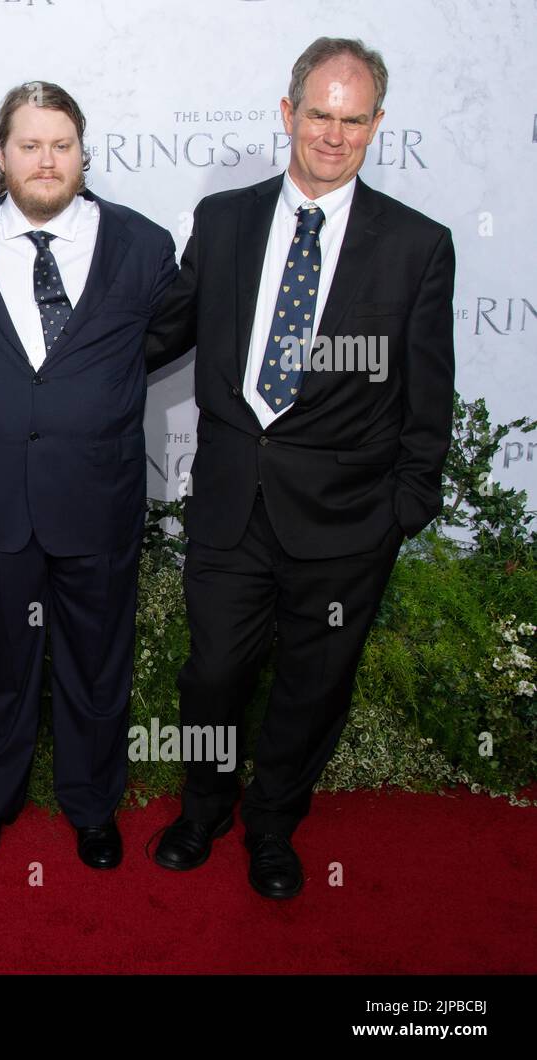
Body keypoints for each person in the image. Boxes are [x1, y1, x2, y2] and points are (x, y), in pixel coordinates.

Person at [145, 38, 455, 898]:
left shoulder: (417, 245)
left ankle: (274, 824)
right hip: (231, 507)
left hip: (349, 523)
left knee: (314, 688)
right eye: (319, 113)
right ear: (289, 114)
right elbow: (162, 333)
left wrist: (405, 507)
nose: (333, 134)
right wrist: (54, 370)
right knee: (213, 673)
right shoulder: (226, 218)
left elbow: (429, 394)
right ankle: (202, 806)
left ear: (377, 126)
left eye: (353, 119)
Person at [0, 82, 176, 868]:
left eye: (60, 145)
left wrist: (88, 398)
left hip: (97, 497)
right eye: (28, 145)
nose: (45, 160)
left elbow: (162, 340)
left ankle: (92, 806)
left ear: (83, 153)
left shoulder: (142, 244)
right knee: (4, 661)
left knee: (97, 664)